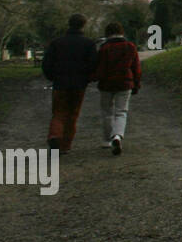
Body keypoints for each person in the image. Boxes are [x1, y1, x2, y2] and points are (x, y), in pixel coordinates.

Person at [42, 13, 98, 154]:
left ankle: (55, 135)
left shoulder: (57, 43)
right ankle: (65, 145)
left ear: (69, 24)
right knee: (73, 114)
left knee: (58, 113)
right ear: (83, 25)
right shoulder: (89, 44)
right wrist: (87, 78)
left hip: (60, 82)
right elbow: (93, 64)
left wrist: (53, 77)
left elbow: (47, 64)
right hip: (79, 84)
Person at [92, 22, 141, 156]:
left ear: (107, 33)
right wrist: (136, 84)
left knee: (107, 112)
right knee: (121, 112)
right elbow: (136, 67)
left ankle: (107, 139)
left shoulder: (104, 48)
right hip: (125, 83)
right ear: (122, 32)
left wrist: (95, 78)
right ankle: (117, 136)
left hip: (107, 84)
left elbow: (100, 67)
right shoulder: (130, 46)